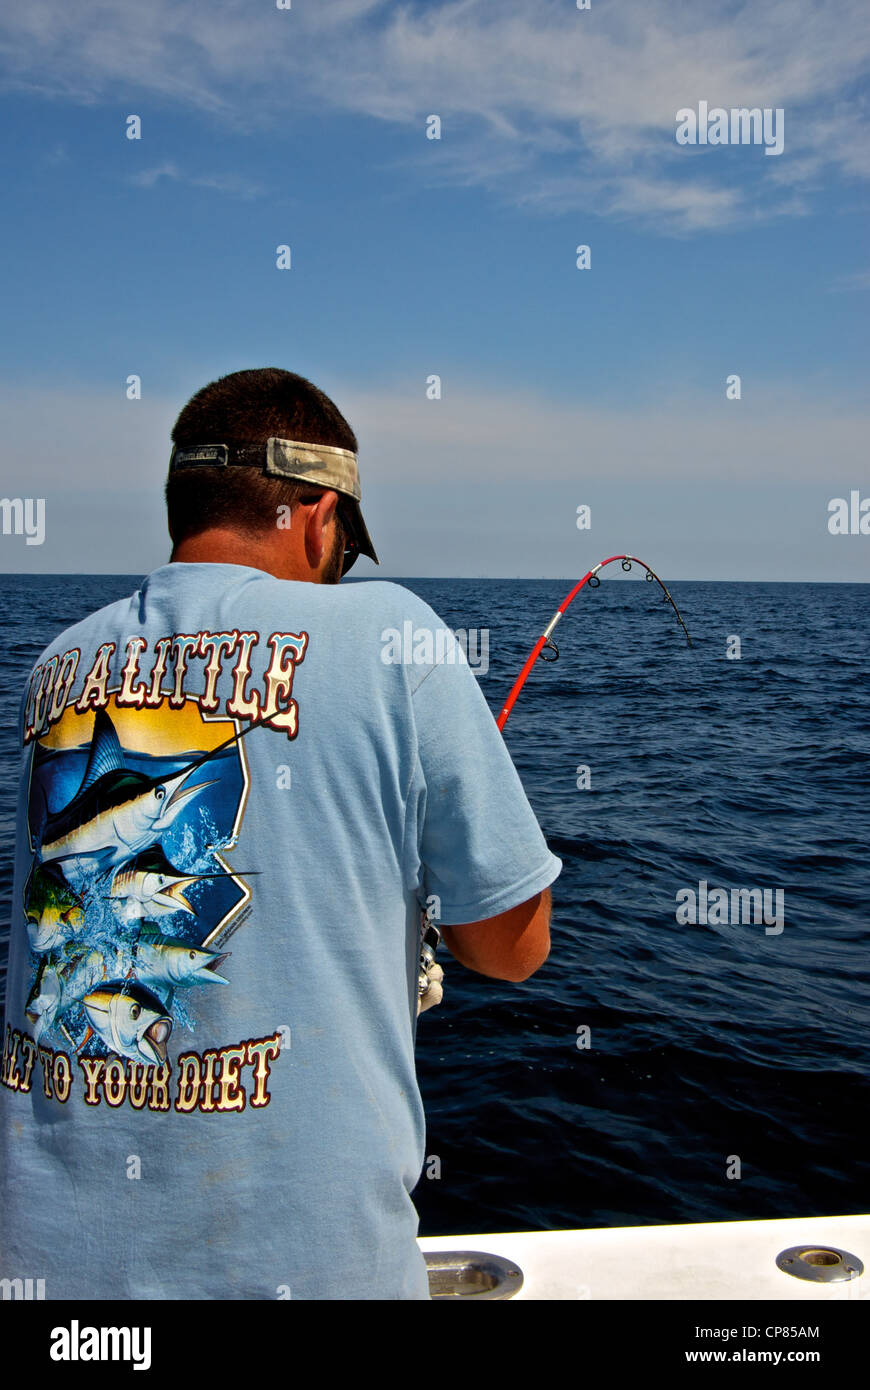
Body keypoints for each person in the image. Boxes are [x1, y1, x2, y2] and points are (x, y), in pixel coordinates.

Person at [0, 367, 560, 1300]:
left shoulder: (57, 664)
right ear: (313, 511)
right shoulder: (396, 634)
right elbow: (510, 945)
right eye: (342, 546)